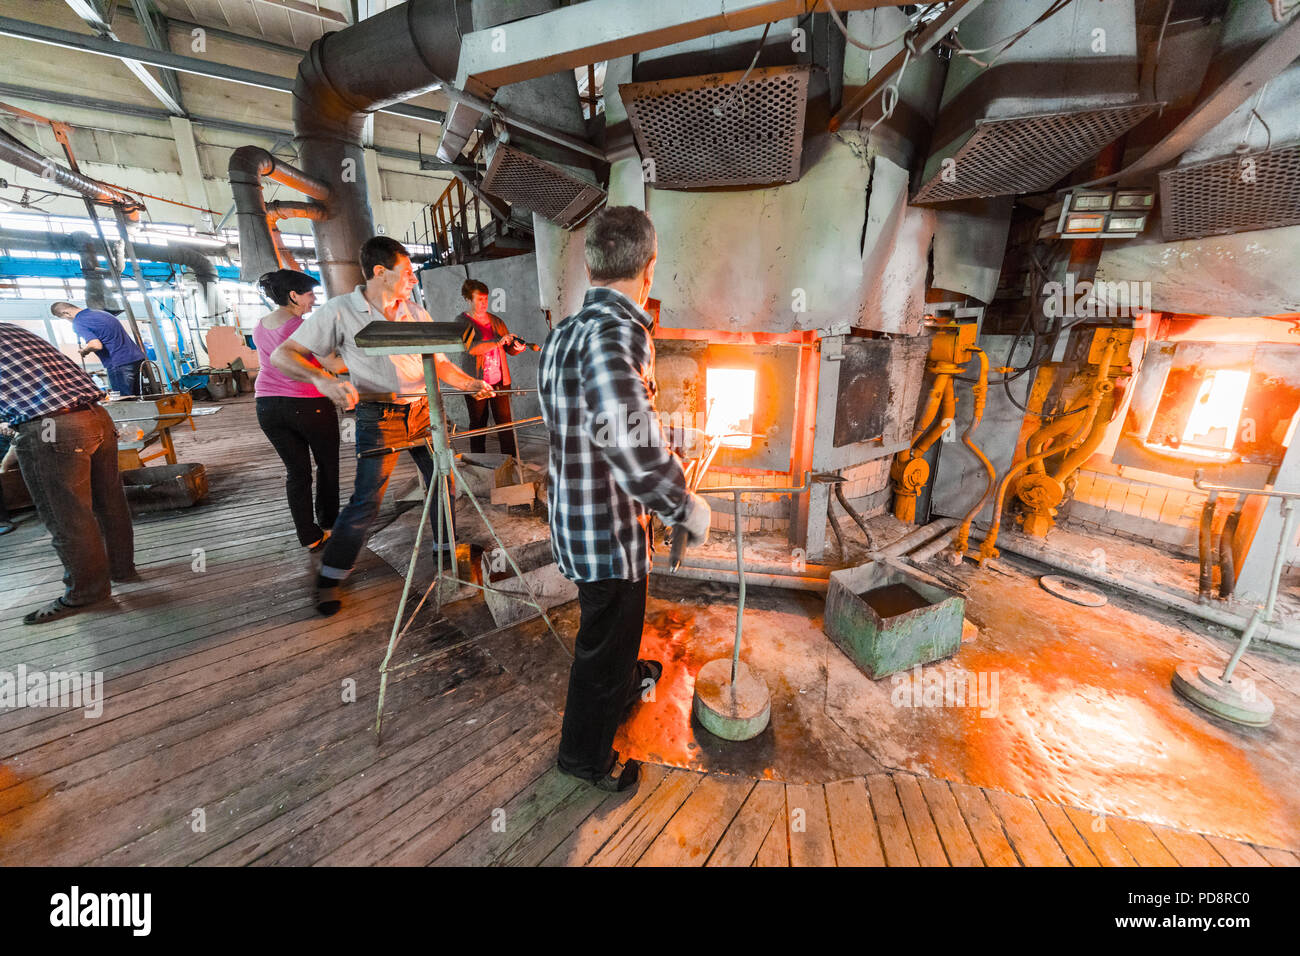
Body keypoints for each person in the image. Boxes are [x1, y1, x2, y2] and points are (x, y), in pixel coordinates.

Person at [537, 207, 712, 793]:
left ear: (588, 263)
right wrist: (683, 503)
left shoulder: (564, 333)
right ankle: (584, 758)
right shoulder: (618, 333)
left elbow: (588, 431)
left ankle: (624, 673)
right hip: (607, 537)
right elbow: (628, 444)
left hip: (576, 520)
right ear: (650, 267)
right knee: (601, 650)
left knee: (612, 628)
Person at [271, 236, 494, 616]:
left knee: (444, 481)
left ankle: (445, 553)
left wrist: (470, 383)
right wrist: (325, 381)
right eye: (407, 273)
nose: (412, 280)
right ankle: (330, 575)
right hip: (380, 416)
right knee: (366, 501)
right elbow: (283, 355)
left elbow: (437, 363)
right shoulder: (341, 311)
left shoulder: (415, 312)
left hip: (424, 411)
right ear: (380, 272)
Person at [0, 322, 138, 624]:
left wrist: (17, 437)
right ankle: (122, 569)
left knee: (67, 514)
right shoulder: (9, 329)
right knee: (109, 503)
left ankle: (87, 593)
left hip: (51, 428)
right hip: (95, 417)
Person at [253, 269, 340, 552]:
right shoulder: (299, 327)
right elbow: (334, 365)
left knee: (297, 472)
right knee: (326, 464)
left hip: (267, 405)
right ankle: (328, 522)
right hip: (307, 402)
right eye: (309, 294)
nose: (313, 300)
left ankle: (309, 535)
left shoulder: (259, 325)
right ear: (293, 295)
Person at [454, 279, 526, 457]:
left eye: (486, 299)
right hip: (476, 383)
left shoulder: (496, 321)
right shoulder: (461, 322)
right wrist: (497, 341)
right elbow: (471, 348)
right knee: (478, 423)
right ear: (468, 300)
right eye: (479, 300)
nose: (484, 303)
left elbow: (507, 348)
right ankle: (478, 461)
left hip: (500, 381)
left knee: (505, 423)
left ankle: (511, 462)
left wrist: (516, 346)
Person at [50, 301, 148, 396]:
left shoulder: (78, 322)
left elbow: (95, 345)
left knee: (125, 401)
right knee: (138, 398)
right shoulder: (101, 312)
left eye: (64, 319)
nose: (69, 321)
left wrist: (84, 351)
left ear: (66, 313)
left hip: (119, 363)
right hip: (136, 359)